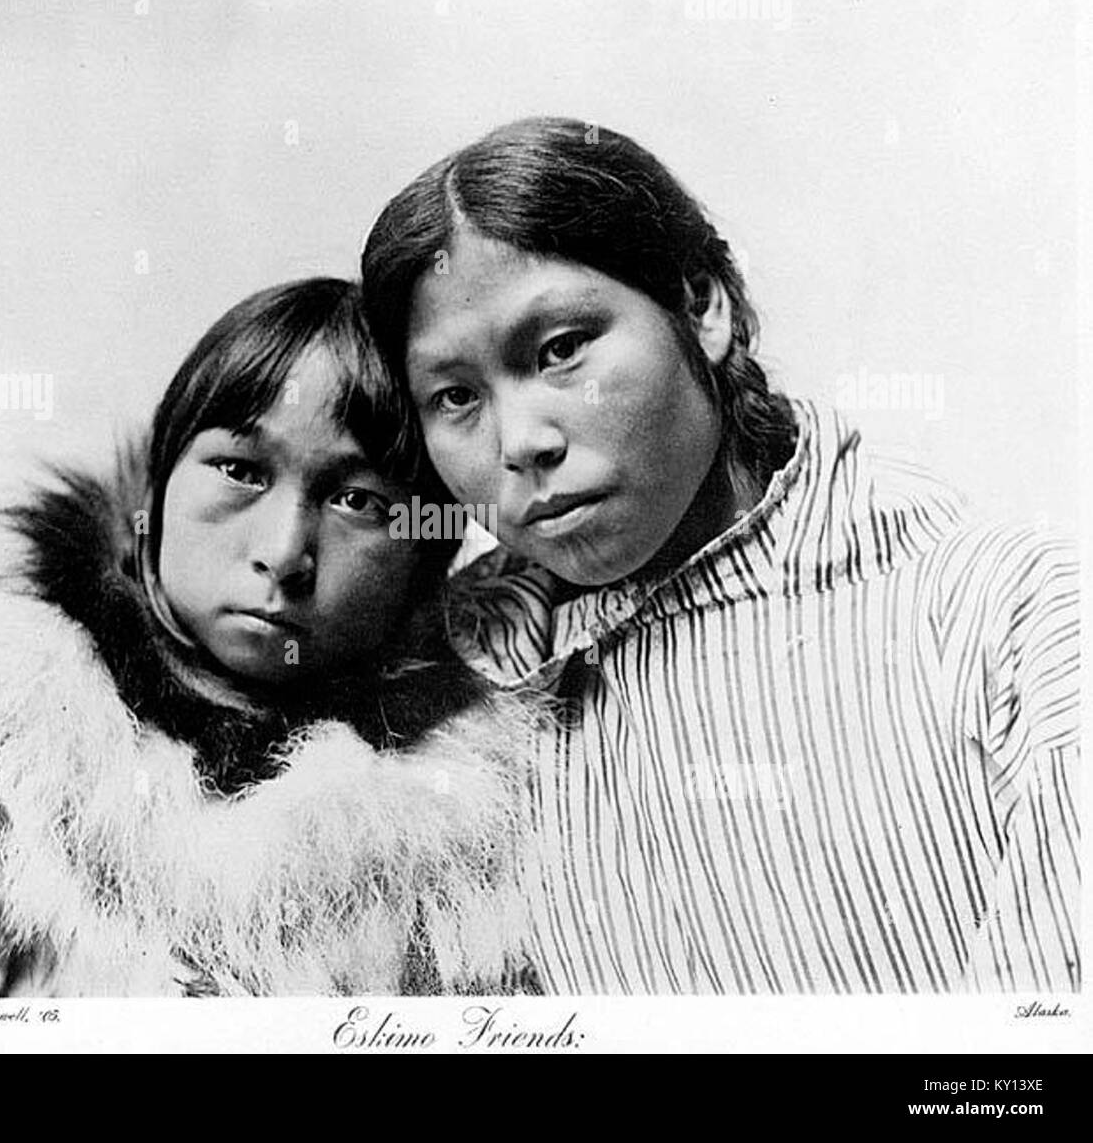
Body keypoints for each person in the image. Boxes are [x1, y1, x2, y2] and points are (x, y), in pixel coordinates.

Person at [360, 117, 1079, 995]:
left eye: (561, 350)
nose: (521, 442)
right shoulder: (438, 679)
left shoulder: (1003, 618)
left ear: (701, 308)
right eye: (455, 397)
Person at [0, 278, 540, 998]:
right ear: (160, 490)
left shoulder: (474, 827)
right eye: (240, 471)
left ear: (426, 560)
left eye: (357, 500)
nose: (283, 553)